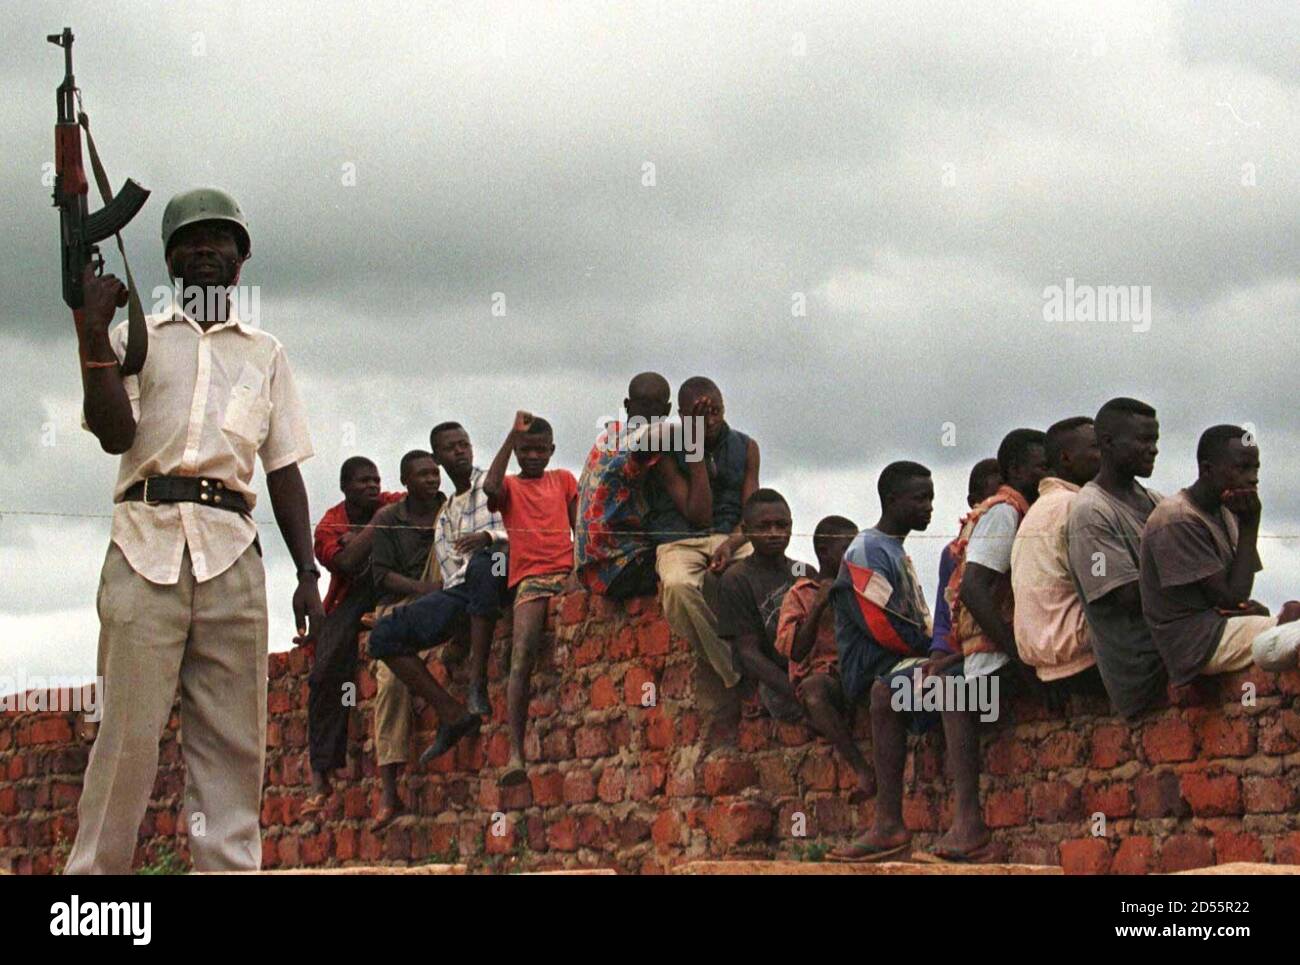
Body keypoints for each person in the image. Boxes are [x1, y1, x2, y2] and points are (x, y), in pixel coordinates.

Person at [68, 188, 318, 873]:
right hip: (145, 544)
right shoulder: (135, 338)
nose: (206, 250)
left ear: (241, 260)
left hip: (232, 551)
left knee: (236, 744)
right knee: (126, 738)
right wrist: (91, 331)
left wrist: (307, 574)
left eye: (221, 240)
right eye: (191, 241)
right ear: (171, 258)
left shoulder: (266, 353)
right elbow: (114, 431)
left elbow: (283, 468)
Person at [827, 462, 953, 862]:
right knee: (899, 690)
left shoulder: (895, 551)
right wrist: (930, 652)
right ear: (892, 500)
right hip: (874, 668)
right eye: (920, 498)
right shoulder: (866, 549)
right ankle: (887, 823)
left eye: (931, 497)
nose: (929, 506)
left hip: (898, 660)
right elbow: (883, 624)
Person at [935, 428, 1047, 862]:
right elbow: (977, 592)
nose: (1046, 474)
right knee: (947, 694)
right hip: (995, 653)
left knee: (939, 691)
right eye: (1040, 466)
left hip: (992, 651)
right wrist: (1017, 651)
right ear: (1016, 470)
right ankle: (967, 823)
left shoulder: (1020, 509)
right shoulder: (1004, 513)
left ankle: (965, 824)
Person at [367, 423, 508, 765]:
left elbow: (524, 529)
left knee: (487, 562)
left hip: (501, 573)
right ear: (440, 458)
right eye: (451, 448)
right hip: (462, 591)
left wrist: (489, 539)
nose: (460, 451)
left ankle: (477, 684)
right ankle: (453, 713)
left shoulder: (495, 485)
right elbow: (449, 573)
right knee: (383, 636)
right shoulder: (444, 515)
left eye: (464, 444)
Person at [1140, 425, 1300, 684]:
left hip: (1220, 627)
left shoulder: (1226, 510)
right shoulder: (1177, 518)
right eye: (1242, 468)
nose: (1253, 478)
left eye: (1255, 468)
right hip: (1195, 643)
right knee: (1293, 627)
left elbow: (1237, 597)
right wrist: (1250, 525)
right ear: (1207, 470)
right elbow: (1233, 599)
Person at [648, 377, 760, 741]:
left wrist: (732, 544)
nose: (709, 419)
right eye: (698, 414)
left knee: (765, 574)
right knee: (678, 589)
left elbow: (752, 516)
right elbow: (697, 514)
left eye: (714, 410)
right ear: (682, 416)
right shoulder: (666, 450)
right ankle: (733, 669)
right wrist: (694, 450)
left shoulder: (746, 447)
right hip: (681, 539)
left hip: (732, 536)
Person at [483, 412, 579, 786]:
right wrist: (510, 437)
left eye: (541, 450)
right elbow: (490, 488)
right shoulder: (509, 486)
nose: (534, 457)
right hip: (531, 580)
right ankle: (516, 753)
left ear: (552, 450)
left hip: (567, 572)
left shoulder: (564, 480)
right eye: (526, 451)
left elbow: (579, 530)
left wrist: (578, 573)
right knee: (521, 656)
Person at [303, 456, 401, 819]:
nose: (372, 486)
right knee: (326, 670)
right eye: (363, 481)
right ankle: (321, 774)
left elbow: (423, 503)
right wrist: (377, 528)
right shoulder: (330, 524)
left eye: (376, 479)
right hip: (352, 596)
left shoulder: (391, 502)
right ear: (345, 487)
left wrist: (360, 538)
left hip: (393, 585)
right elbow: (343, 564)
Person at [1065, 397, 1168, 718]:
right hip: (1143, 667)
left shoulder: (1154, 502)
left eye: (1155, 440)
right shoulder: (1090, 512)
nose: (1153, 449)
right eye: (1143, 440)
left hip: (1169, 644)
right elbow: (1129, 596)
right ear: (1107, 443)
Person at [366, 451, 446, 829]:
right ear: (405, 480)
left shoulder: (451, 510)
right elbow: (380, 576)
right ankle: (389, 790)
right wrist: (422, 589)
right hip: (401, 604)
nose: (432, 480)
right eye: (423, 475)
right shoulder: (388, 519)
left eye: (435, 473)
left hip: (442, 596)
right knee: (390, 681)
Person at [774, 515, 873, 797]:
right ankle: (862, 769)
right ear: (824, 553)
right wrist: (819, 606)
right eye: (846, 550)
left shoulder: (864, 588)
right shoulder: (802, 594)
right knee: (814, 691)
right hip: (829, 678)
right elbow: (794, 650)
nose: (853, 558)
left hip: (861, 671)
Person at [1010, 417, 1105, 695]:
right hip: (1081, 657)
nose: (1104, 455)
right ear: (1066, 458)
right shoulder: (1076, 507)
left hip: (1045, 662)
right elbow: (1108, 593)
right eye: (1096, 447)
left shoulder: (1039, 510)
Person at [576, 372, 675, 599]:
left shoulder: (607, 435)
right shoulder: (651, 437)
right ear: (668, 411)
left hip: (588, 570)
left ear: (627, 405)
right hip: (621, 567)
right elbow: (649, 444)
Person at [715, 490, 806, 724]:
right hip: (774, 684)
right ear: (746, 532)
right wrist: (796, 692)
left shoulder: (803, 572)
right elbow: (748, 654)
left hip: (809, 672)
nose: (774, 533)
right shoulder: (736, 579)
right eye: (764, 526)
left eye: (781, 525)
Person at [932, 458, 1001, 654]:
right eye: (994, 497)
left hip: (995, 651)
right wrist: (938, 658)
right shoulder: (953, 553)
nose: (1002, 503)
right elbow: (943, 621)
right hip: (966, 653)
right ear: (973, 502)